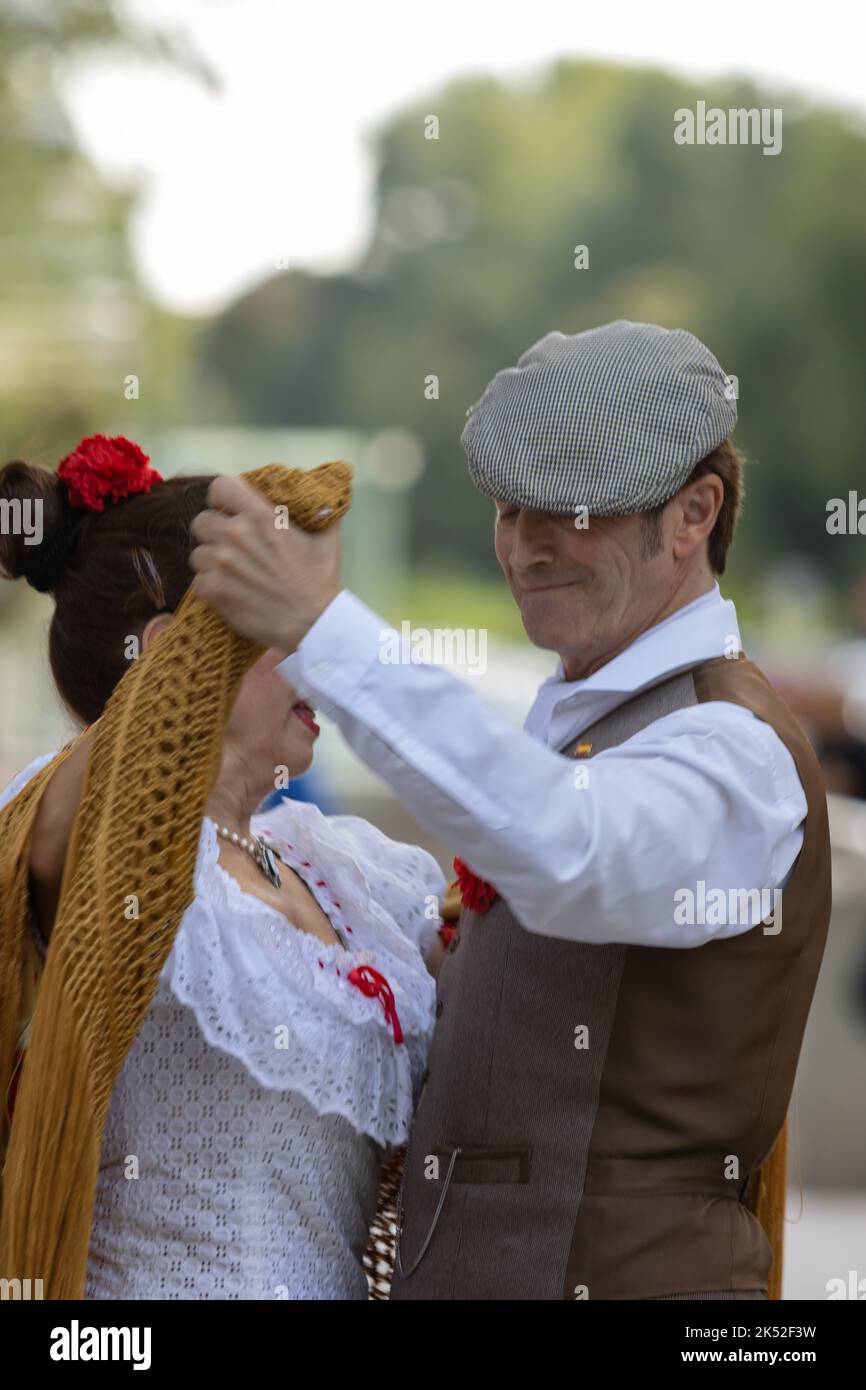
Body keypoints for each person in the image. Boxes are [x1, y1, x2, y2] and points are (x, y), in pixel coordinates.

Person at [189, 321, 832, 1301]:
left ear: (694, 512)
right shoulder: (596, 722)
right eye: (508, 505)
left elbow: (567, 845)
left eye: (574, 508)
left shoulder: (732, 749)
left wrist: (324, 633)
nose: (528, 543)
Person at [0, 436, 444, 1300]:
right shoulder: (94, 837)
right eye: (287, 633)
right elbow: (44, 832)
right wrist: (190, 646)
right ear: (176, 653)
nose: (318, 659)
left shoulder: (343, 869)